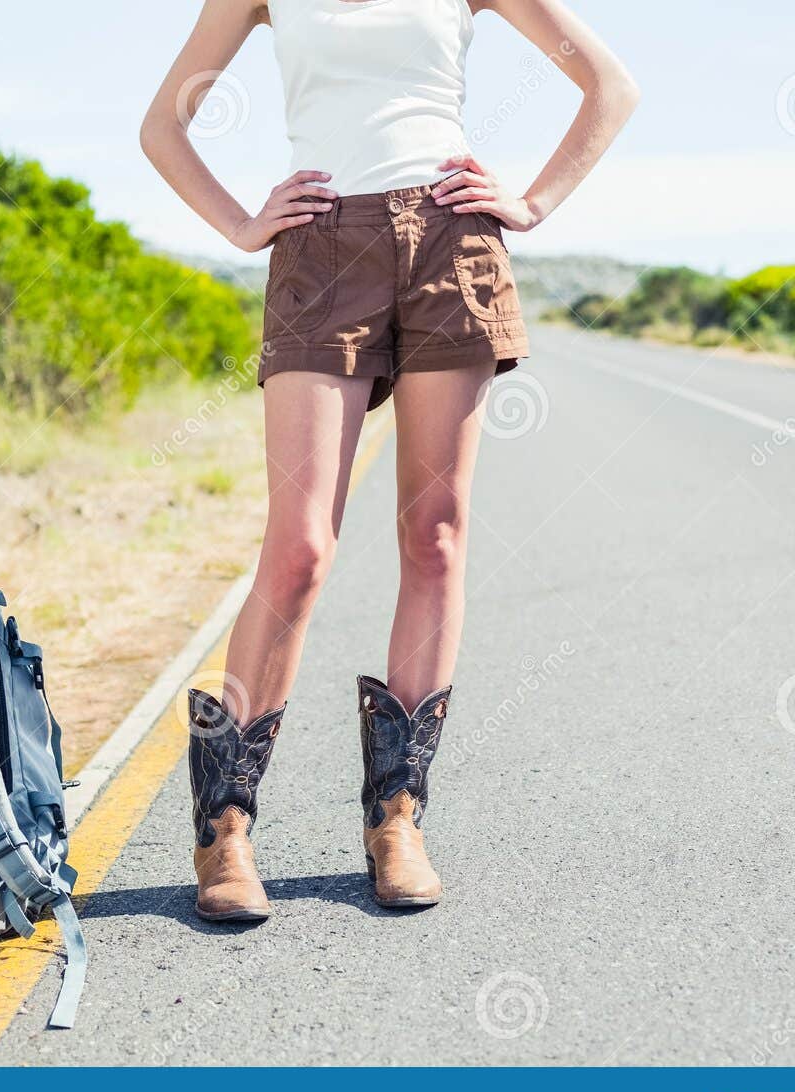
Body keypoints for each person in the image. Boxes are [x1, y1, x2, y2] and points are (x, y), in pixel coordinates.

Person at [140, 0, 638, 919]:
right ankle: (225, 827)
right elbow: (162, 126)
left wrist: (530, 203)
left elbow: (611, 86)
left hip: (452, 245)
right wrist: (245, 223)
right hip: (321, 247)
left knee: (435, 535)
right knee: (298, 549)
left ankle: (397, 818)